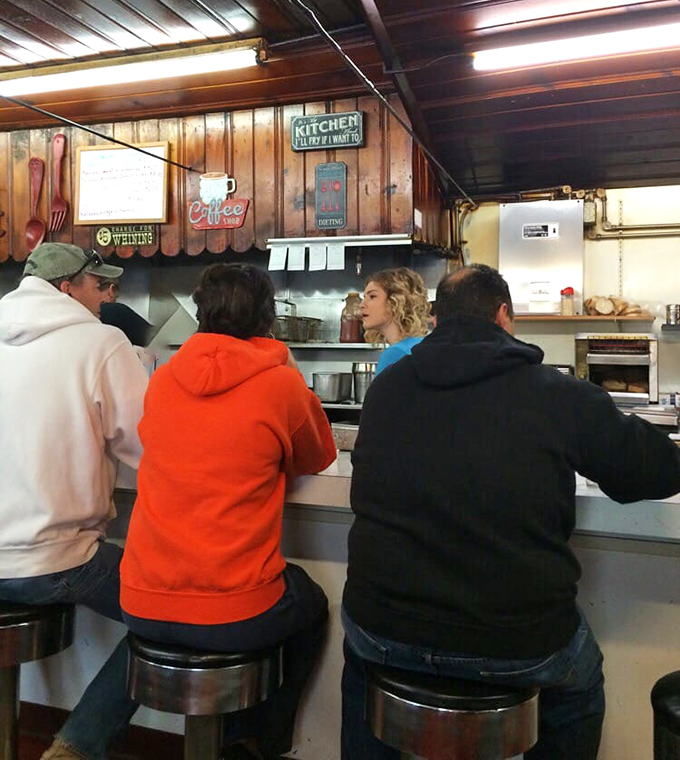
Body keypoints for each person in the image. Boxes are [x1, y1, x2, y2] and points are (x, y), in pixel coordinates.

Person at [341, 263, 680, 760]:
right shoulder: (555, 392)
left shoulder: (386, 388)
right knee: (579, 690)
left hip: (382, 629)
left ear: (436, 320)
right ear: (504, 316)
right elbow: (653, 472)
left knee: (360, 670)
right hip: (516, 641)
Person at [120, 263, 337, 760]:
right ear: (267, 318)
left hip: (142, 604)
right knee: (310, 605)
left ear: (201, 313)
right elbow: (319, 456)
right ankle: (257, 741)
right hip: (235, 611)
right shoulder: (280, 385)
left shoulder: (164, 380)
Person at [0, 243, 148, 760]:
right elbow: (147, 444)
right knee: (178, 613)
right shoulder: (102, 342)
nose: (108, 296)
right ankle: (78, 745)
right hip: (57, 558)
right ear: (67, 288)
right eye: (99, 285)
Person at [361, 267, 430, 375]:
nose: (362, 304)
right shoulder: (422, 345)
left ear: (395, 301)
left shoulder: (395, 354)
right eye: (364, 297)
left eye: (372, 296)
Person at [99, 279, 154, 348]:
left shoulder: (87, 315)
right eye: (116, 297)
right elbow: (155, 337)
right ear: (112, 290)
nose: (115, 301)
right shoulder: (116, 311)